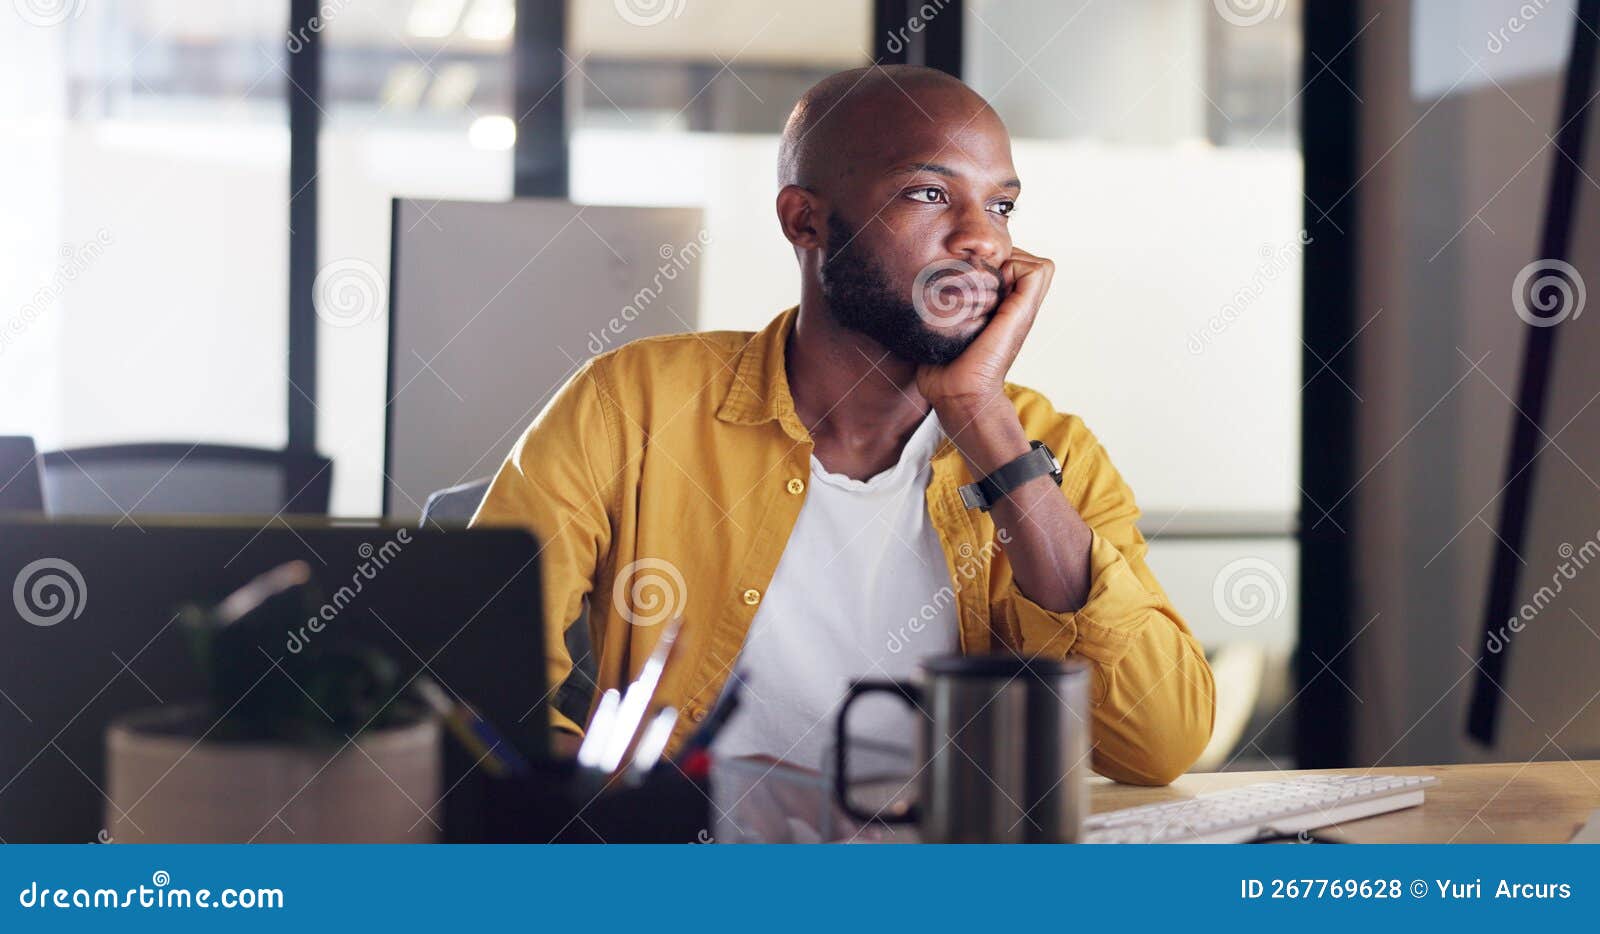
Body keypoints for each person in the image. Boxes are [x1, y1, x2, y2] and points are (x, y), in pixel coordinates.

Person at [473, 65, 1214, 785]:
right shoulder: (635, 402)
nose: (984, 241)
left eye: (1001, 206)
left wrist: (981, 419)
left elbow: (1158, 744)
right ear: (807, 219)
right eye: (929, 193)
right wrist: (593, 807)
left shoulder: (1048, 449)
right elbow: (475, 674)